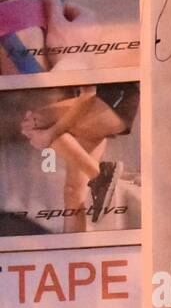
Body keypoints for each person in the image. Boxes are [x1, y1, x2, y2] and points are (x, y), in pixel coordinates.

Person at [19, 80, 138, 231]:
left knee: (37, 121)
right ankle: (72, 253)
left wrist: (51, 134)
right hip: (95, 103)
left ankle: (98, 174)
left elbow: (88, 94)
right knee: (73, 193)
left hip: (112, 101)